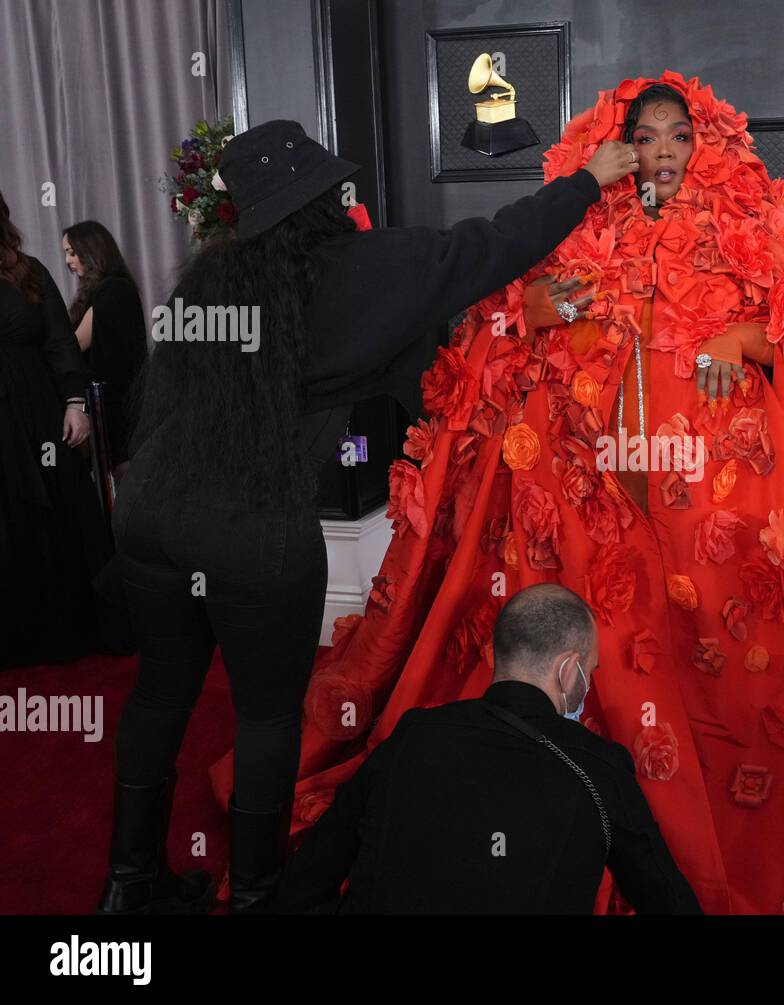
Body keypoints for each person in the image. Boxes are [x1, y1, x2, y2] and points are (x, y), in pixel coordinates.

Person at [216, 75, 784, 914]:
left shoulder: (745, 229)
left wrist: (738, 334)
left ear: (703, 146)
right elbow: (476, 324)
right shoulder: (577, 226)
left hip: (710, 505)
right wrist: (525, 314)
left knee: (728, 667)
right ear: (619, 149)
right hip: (584, 497)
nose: (666, 154)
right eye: (647, 137)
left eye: (680, 137)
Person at [96, 118, 637, 915]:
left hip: (147, 518)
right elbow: (490, 246)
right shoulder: (364, 267)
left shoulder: (205, 285)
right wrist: (588, 179)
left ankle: (124, 885)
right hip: (251, 532)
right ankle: (256, 897)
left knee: (158, 695)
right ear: (325, 197)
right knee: (268, 713)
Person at [273, 584, 701, 914]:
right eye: (590, 671)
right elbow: (668, 901)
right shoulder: (598, 768)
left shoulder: (413, 734)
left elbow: (306, 880)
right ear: (569, 670)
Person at [0, 188, 112, 668]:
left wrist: (75, 403)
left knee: (55, 514)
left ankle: (62, 630)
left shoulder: (27, 272)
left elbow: (61, 344)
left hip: (37, 410)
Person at [61, 221, 148, 485]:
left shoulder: (111, 290)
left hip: (117, 409)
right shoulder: (113, 289)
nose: (68, 261)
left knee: (124, 480)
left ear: (92, 251)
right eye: (66, 253)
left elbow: (73, 345)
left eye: (72, 252)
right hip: (117, 407)